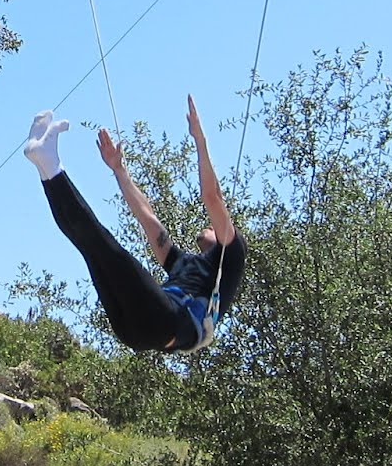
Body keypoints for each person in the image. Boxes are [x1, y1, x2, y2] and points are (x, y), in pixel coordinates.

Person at [24, 95, 246, 352]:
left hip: (166, 323)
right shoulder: (181, 262)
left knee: (103, 245)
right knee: (90, 247)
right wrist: (119, 171)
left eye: (213, 226)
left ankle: (50, 164)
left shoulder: (232, 254)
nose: (208, 226)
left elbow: (212, 196)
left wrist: (200, 140)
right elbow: (147, 217)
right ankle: (45, 166)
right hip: (138, 332)